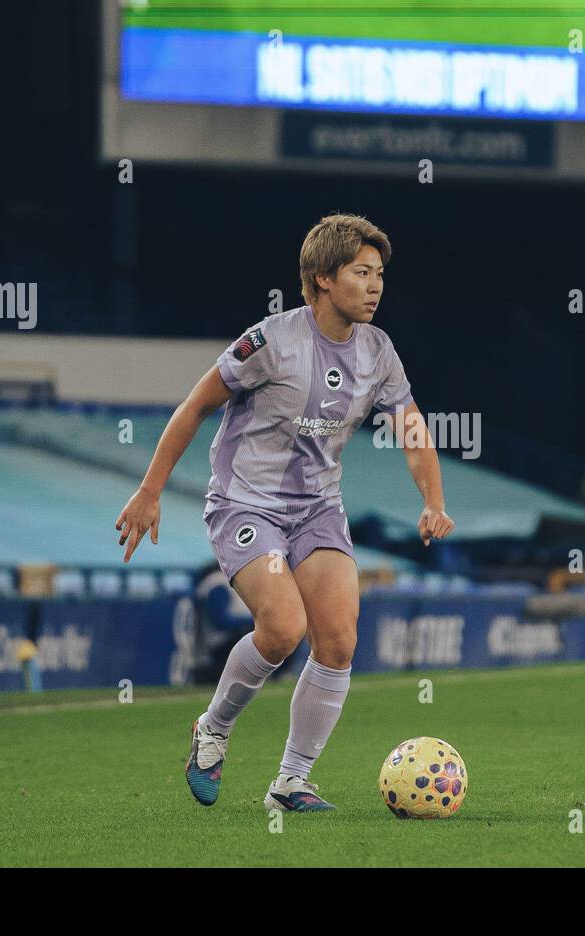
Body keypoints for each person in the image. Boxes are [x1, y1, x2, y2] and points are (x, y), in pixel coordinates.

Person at [115, 213, 454, 812]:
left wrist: (434, 501)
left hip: (318, 509)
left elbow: (412, 428)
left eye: (380, 274)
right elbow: (196, 406)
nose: (376, 286)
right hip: (246, 504)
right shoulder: (269, 341)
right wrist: (150, 490)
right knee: (282, 628)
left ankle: (290, 782)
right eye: (361, 273)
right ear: (323, 278)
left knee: (340, 640)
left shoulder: (379, 351)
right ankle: (212, 730)